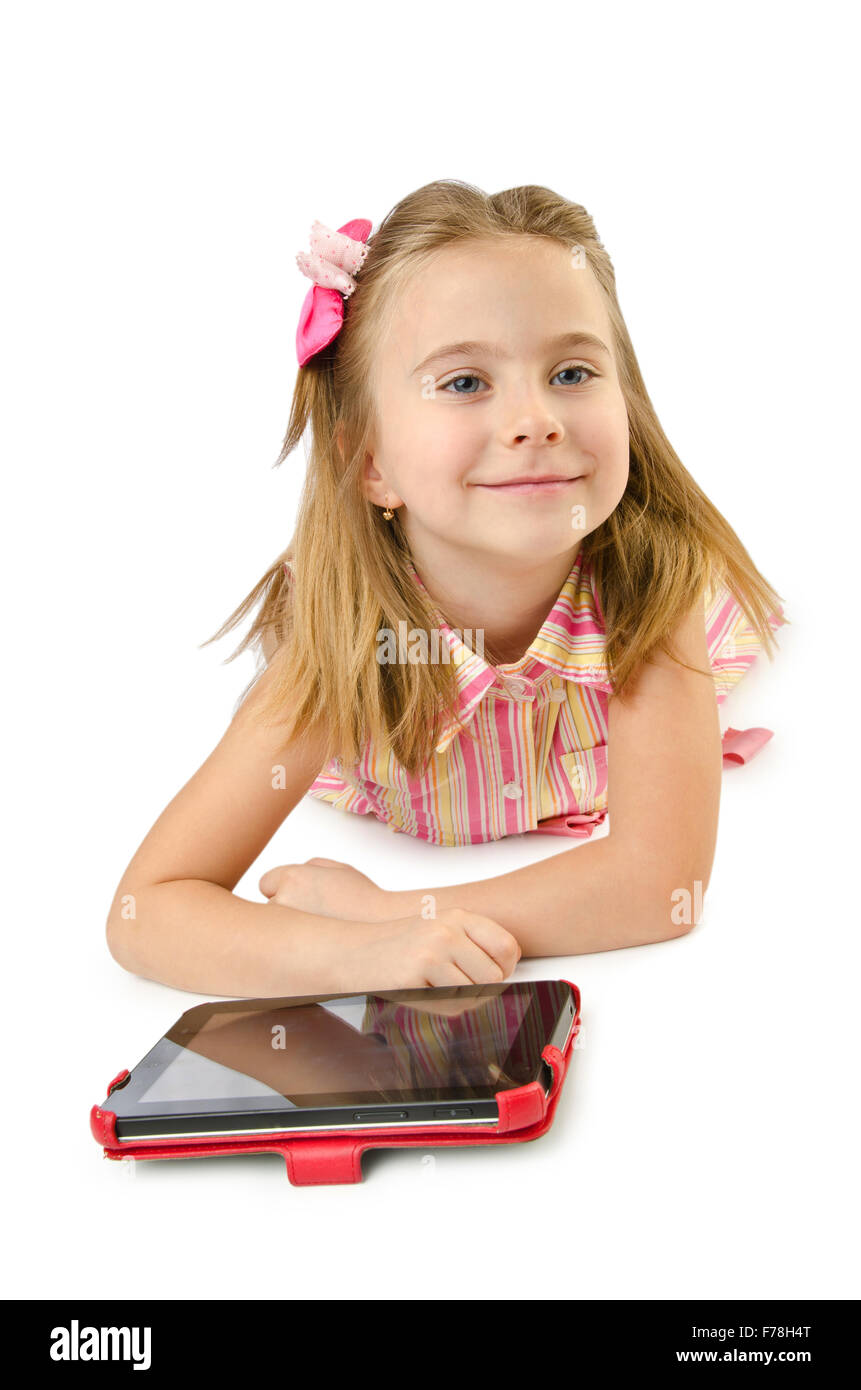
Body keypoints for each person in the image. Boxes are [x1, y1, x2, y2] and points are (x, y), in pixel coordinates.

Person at [105, 179, 788, 999]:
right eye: (464, 383)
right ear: (372, 463)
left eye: (571, 371)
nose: (535, 419)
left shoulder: (652, 581)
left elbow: (659, 888)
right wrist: (365, 958)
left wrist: (390, 910)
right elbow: (149, 908)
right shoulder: (344, 635)